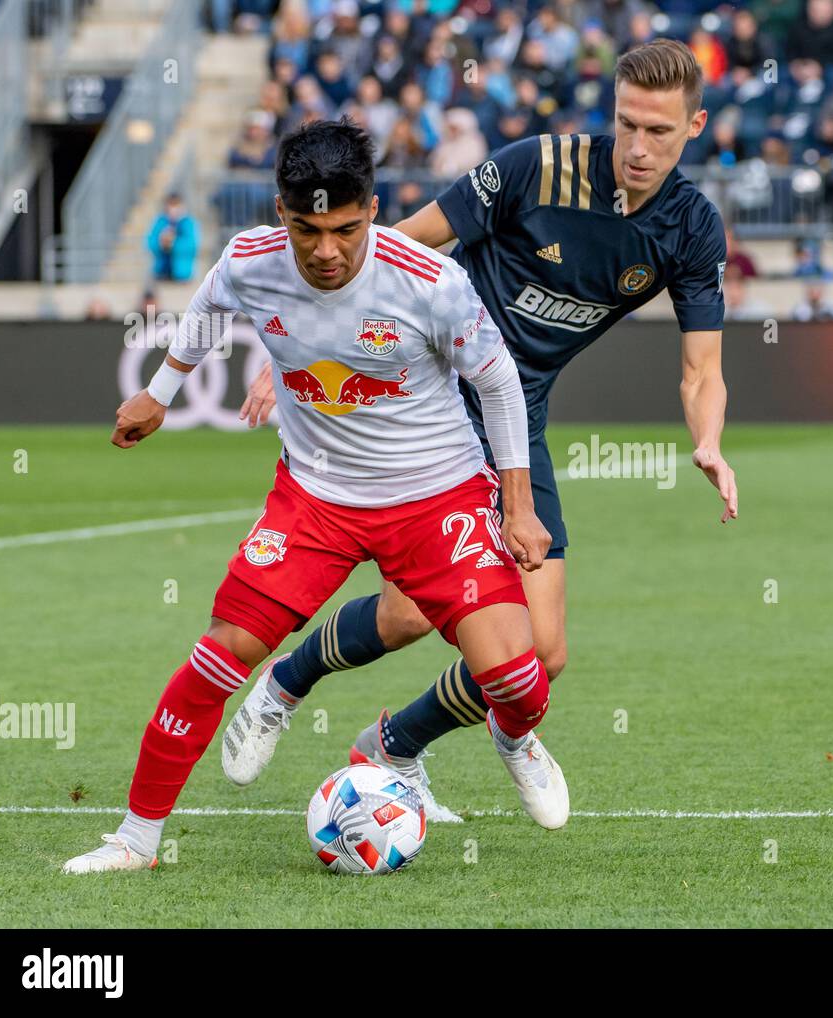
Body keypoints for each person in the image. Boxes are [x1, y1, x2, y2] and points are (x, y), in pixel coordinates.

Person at [229, 40, 737, 824]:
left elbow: (701, 369)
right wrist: (308, 334)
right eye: (627, 124)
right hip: (428, 399)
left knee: (544, 652)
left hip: (514, 415)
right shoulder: (536, 166)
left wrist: (707, 440)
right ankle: (284, 685)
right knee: (404, 616)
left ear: (694, 125)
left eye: (660, 133)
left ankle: (394, 745)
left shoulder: (692, 229)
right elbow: (400, 242)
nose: (638, 148)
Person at [62, 120, 566, 874]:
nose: (326, 251)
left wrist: (518, 506)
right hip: (315, 497)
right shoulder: (250, 260)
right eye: (306, 230)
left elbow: (496, 382)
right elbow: (205, 310)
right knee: (218, 658)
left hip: (438, 495)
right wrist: (159, 392)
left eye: (345, 229)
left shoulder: (429, 281)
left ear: (371, 207)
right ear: (280, 212)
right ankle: (135, 840)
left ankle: (513, 736)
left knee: (519, 678)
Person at [145, 194, 198, 282]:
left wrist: (173, 243)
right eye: (171, 205)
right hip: (161, 274)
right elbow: (150, 242)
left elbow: (192, 245)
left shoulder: (188, 223)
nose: (173, 209)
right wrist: (161, 243)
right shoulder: (160, 221)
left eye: (176, 205)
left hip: (182, 276)